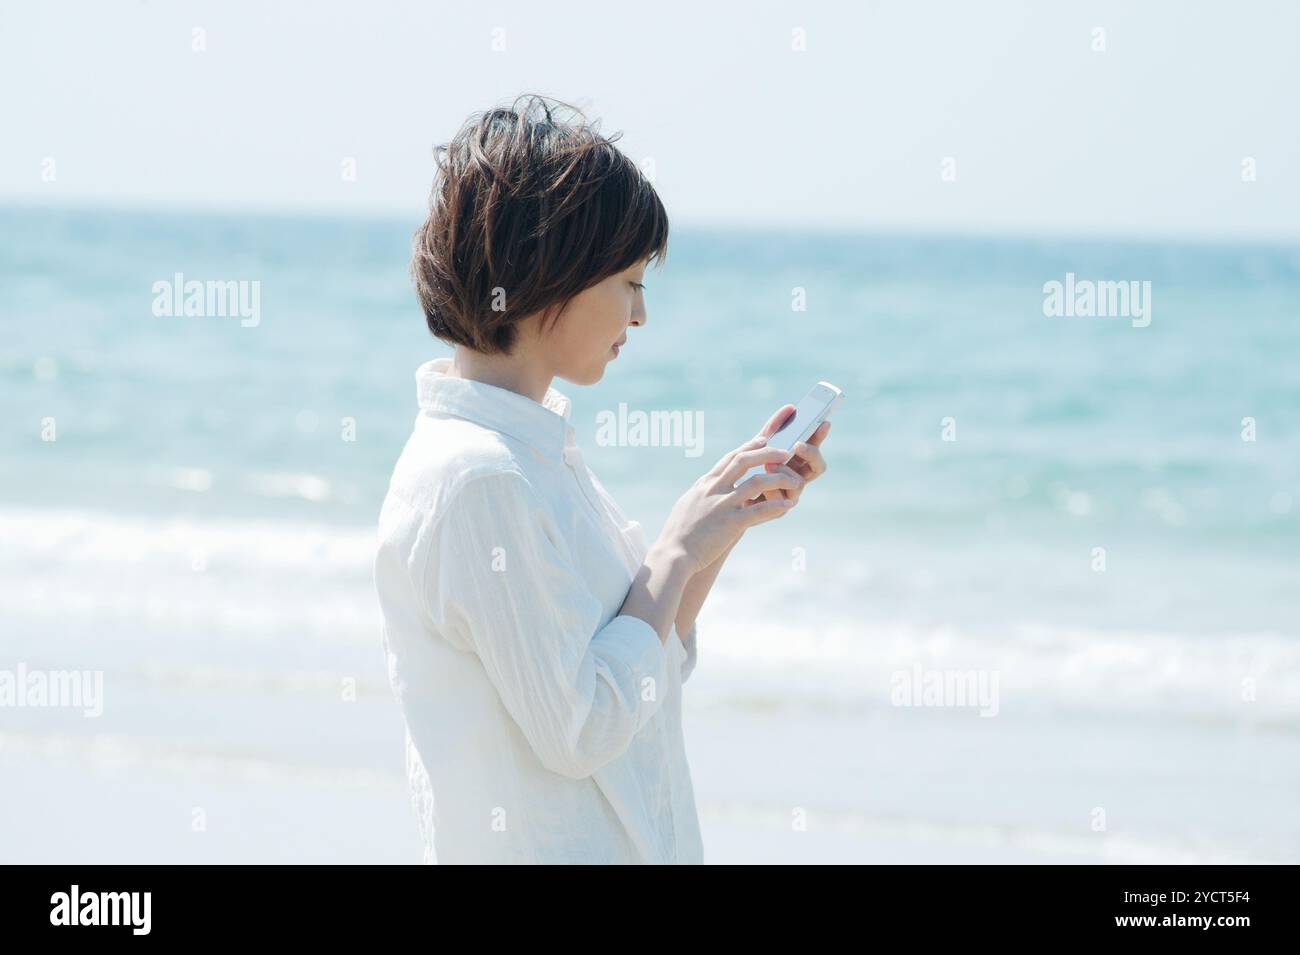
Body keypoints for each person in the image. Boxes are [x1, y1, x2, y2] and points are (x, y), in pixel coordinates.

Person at [374, 94, 831, 864]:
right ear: (553, 273)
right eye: (629, 280)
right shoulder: (479, 477)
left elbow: (642, 674)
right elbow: (578, 728)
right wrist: (675, 549)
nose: (641, 314)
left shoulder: (530, 453)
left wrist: (716, 523)